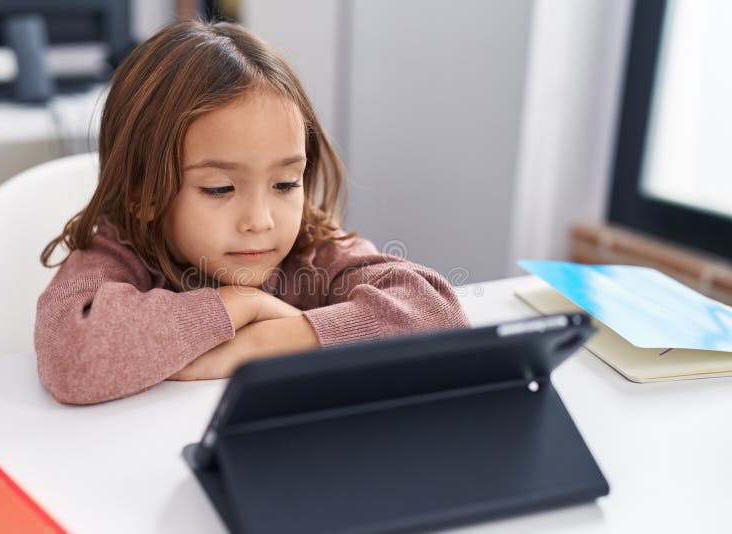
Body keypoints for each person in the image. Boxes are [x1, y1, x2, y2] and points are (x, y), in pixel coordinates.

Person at [35, 19, 469, 405]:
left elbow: (440, 315)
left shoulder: (312, 250)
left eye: (285, 184)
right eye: (220, 188)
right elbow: (71, 358)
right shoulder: (117, 249)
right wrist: (236, 303)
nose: (261, 221)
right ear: (142, 193)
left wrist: (262, 342)